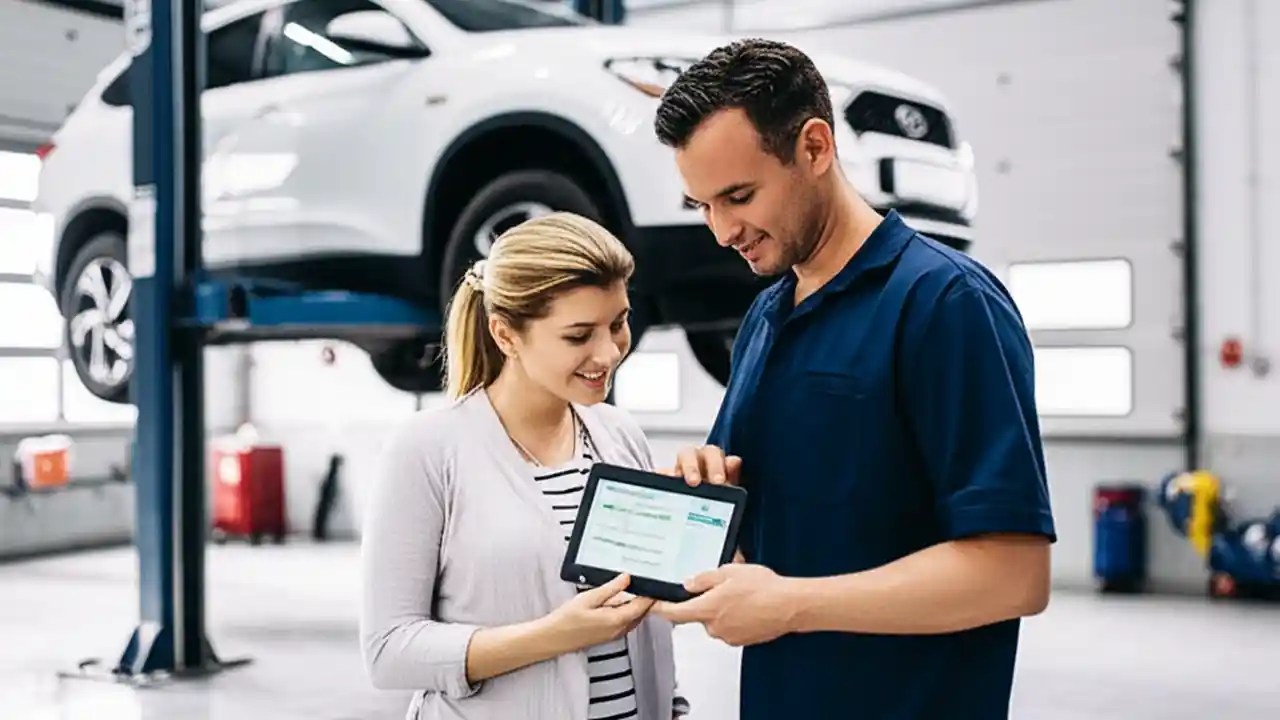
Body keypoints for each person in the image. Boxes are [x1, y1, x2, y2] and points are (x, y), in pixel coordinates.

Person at [648, 38, 1057, 720]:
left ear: (814, 147)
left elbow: (1012, 574)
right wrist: (713, 497)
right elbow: (771, 542)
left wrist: (793, 605)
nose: (721, 231)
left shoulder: (947, 305)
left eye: (738, 196)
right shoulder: (765, 318)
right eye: (701, 206)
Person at [359, 212, 689, 720]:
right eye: (578, 335)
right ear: (506, 335)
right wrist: (557, 635)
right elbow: (389, 650)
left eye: (618, 323)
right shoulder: (427, 449)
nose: (608, 352)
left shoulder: (619, 435)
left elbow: (646, 624)